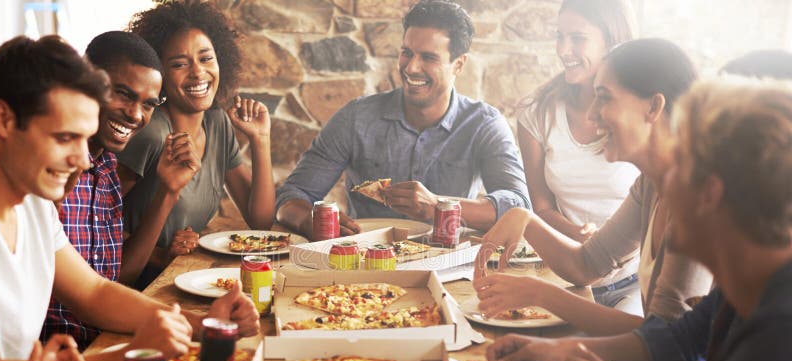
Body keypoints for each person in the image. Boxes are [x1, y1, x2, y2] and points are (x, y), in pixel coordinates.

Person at [467, 77, 792, 361]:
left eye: (678, 165)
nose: (663, 178)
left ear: (710, 193)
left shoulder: (778, 337)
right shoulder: (746, 290)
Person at [0, 35, 258, 361]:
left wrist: (198, 325)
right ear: (2, 120)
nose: (84, 159)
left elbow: (94, 291)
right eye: (64, 138)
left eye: (84, 138)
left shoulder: (33, 206)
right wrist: (127, 358)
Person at [474, 39, 712, 340]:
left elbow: (669, 343)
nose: (591, 114)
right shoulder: (649, 186)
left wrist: (541, 294)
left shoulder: (697, 201)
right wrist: (525, 218)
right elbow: (586, 265)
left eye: (604, 98)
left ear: (654, 106)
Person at [275, 0, 530, 239]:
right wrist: (310, 220)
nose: (411, 68)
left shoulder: (484, 124)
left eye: (428, 57)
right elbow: (291, 197)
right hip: (365, 266)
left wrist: (437, 207)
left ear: (459, 65)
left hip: (449, 264)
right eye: (407, 53)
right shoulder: (355, 118)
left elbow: (519, 206)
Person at [118, 0, 275, 288]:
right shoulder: (150, 134)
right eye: (179, 64)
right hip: (140, 288)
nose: (198, 73)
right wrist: (159, 255)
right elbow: (96, 225)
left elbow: (261, 221)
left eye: (205, 59)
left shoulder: (216, 123)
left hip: (188, 279)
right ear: (159, 75)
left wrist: (260, 140)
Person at [41, 31, 165, 351]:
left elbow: (99, 288)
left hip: (99, 346)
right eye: (123, 94)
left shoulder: (108, 169)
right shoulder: (41, 178)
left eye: (148, 104)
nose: (136, 115)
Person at [518, 0, 641, 314]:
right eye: (560, 36)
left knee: (611, 360)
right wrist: (575, 234)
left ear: (612, 42)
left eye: (578, 38)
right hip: (568, 278)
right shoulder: (537, 113)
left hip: (636, 282)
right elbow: (540, 205)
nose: (563, 49)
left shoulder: (641, 116)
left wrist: (608, 243)